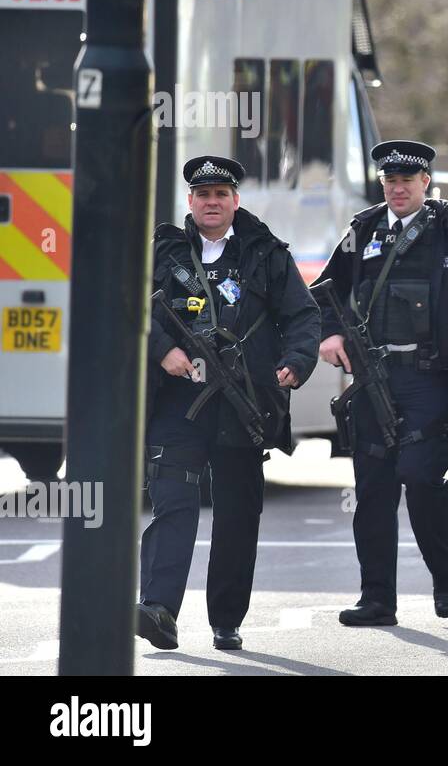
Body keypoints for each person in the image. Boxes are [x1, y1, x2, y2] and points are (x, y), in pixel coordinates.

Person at [137, 155, 320, 651]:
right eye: (203, 195)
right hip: (179, 403)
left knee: (238, 514)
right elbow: (131, 310)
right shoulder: (164, 254)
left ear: (235, 201)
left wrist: (297, 363)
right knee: (173, 502)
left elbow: (303, 317)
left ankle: (226, 619)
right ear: (190, 202)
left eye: (221, 194)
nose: (212, 202)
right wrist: (165, 351)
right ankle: (157, 608)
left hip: (244, 402)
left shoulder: (266, 253)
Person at [314, 140, 448, 626]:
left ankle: (443, 573)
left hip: (430, 377)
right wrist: (331, 333)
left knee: (420, 476)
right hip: (375, 377)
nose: (397, 188)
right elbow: (323, 293)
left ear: (425, 183)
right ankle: (377, 599)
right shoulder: (365, 228)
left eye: (406, 181)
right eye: (389, 181)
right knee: (372, 488)